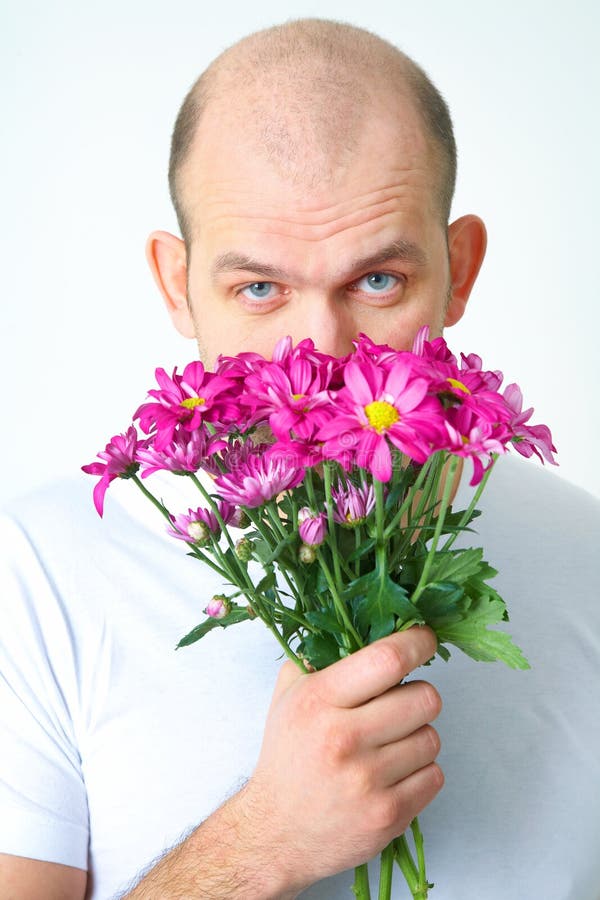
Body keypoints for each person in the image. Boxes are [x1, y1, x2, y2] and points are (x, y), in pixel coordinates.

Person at [1, 18, 599, 900]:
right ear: (178, 285)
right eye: (259, 289)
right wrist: (264, 842)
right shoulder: (29, 577)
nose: (316, 355)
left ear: (460, 269)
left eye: (378, 281)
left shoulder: (590, 557)